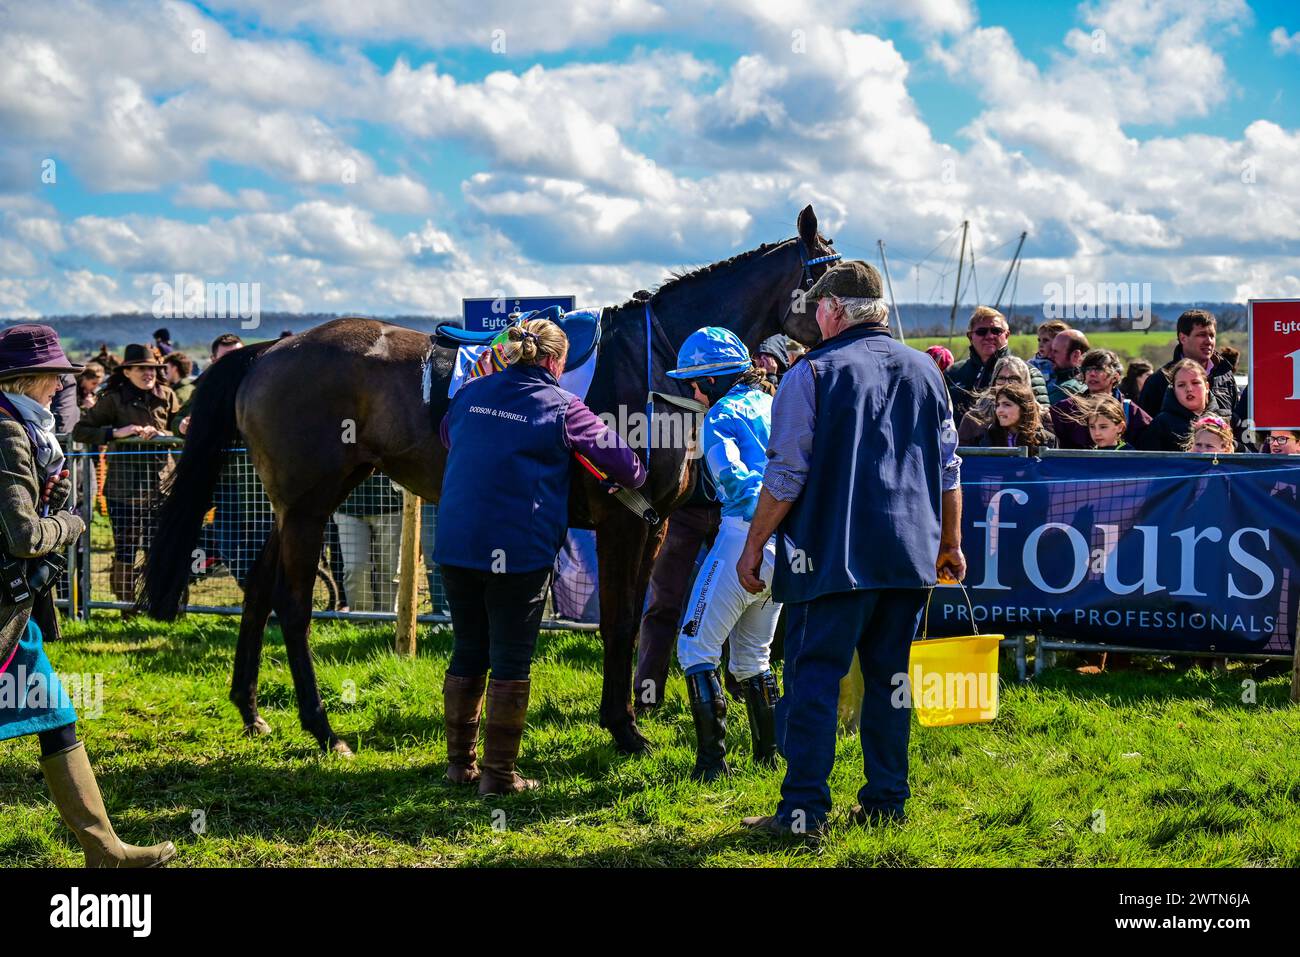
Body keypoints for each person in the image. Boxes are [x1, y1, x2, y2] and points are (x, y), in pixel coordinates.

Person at [735, 261, 964, 838]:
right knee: (891, 683)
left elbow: (787, 473)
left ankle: (803, 813)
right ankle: (888, 804)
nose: (813, 318)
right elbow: (948, 469)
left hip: (831, 555)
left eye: (816, 308)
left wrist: (753, 545)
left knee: (812, 682)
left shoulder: (809, 373)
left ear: (834, 309)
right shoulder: (927, 371)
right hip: (908, 556)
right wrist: (950, 543)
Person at [435, 315, 645, 797]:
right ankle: (499, 775)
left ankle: (459, 766)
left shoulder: (471, 392)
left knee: (468, 649)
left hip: (456, 542)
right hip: (518, 548)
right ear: (555, 360)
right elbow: (629, 470)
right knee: (511, 658)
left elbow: (450, 436)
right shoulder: (565, 406)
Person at [0, 324, 176, 867]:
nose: (61, 387)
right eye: (55, 377)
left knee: (56, 716)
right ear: (30, 379)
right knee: (55, 715)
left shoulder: (22, 427)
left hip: (12, 613)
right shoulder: (8, 433)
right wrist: (72, 524)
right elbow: (24, 535)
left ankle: (103, 851)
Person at [664, 329, 782, 780]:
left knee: (695, 646)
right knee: (755, 655)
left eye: (695, 382)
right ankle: (769, 757)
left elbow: (735, 481)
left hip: (742, 536)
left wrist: (754, 531)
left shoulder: (720, 415)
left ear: (713, 380)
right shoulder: (775, 404)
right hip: (786, 545)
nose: (692, 391)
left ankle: (712, 765)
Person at [71, 344, 180, 611]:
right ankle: (127, 606)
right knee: (126, 550)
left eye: (152, 369)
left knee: (162, 550)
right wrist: (115, 433)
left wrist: (168, 434)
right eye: (142, 369)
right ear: (127, 371)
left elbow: (181, 425)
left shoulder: (166, 395)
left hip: (162, 486)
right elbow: (80, 431)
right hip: (124, 490)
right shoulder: (113, 399)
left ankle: (163, 605)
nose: (148, 374)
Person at [944, 306, 1048, 421]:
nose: (989, 336)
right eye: (981, 332)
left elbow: (1042, 418)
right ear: (970, 337)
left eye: (996, 331)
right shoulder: (952, 373)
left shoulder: (1028, 372)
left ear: (1007, 335)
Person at [1136, 309, 1237, 418]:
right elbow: (1146, 430)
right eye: (1201, 335)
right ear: (1183, 338)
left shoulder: (1225, 376)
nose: (1209, 341)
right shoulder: (1159, 381)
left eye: (1212, 336)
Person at [1050, 348, 1150, 449]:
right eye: (1087, 369)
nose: (1092, 374)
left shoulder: (1131, 412)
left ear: (1116, 376)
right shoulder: (1065, 409)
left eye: (1099, 369)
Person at [332, 473, 404, 612]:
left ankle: (386, 620)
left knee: (390, 569)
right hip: (348, 505)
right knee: (355, 568)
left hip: (391, 504)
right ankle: (362, 620)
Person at [956, 355, 1044, 445]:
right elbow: (963, 455)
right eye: (1001, 378)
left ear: (1025, 383)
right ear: (994, 382)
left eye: (1014, 379)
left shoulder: (1042, 417)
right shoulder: (974, 419)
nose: (1007, 384)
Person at [1138, 359, 1223, 452]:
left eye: (1195, 383)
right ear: (1174, 390)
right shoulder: (1161, 424)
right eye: (1181, 385)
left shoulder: (1222, 420)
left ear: (1207, 387)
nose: (1189, 389)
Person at [977, 383, 1056, 455]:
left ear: (1024, 408)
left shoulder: (1046, 440)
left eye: (1007, 405)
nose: (999, 410)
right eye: (997, 405)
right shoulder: (990, 436)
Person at [1045, 329, 1089, 405]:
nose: (1050, 356)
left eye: (1055, 352)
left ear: (1075, 355)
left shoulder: (1067, 391)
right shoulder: (1089, 381)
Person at [1030, 319, 1068, 384]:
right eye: (1039, 340)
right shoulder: (1033, 365)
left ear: (1058, 342)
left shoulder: (1065, 363)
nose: (1040, 344)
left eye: (1045, 340)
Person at [162, 352, 195, 417]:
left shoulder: (177, 394)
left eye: (166, 368)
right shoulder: (192, 387)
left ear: (174, 368)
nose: (164, 372)